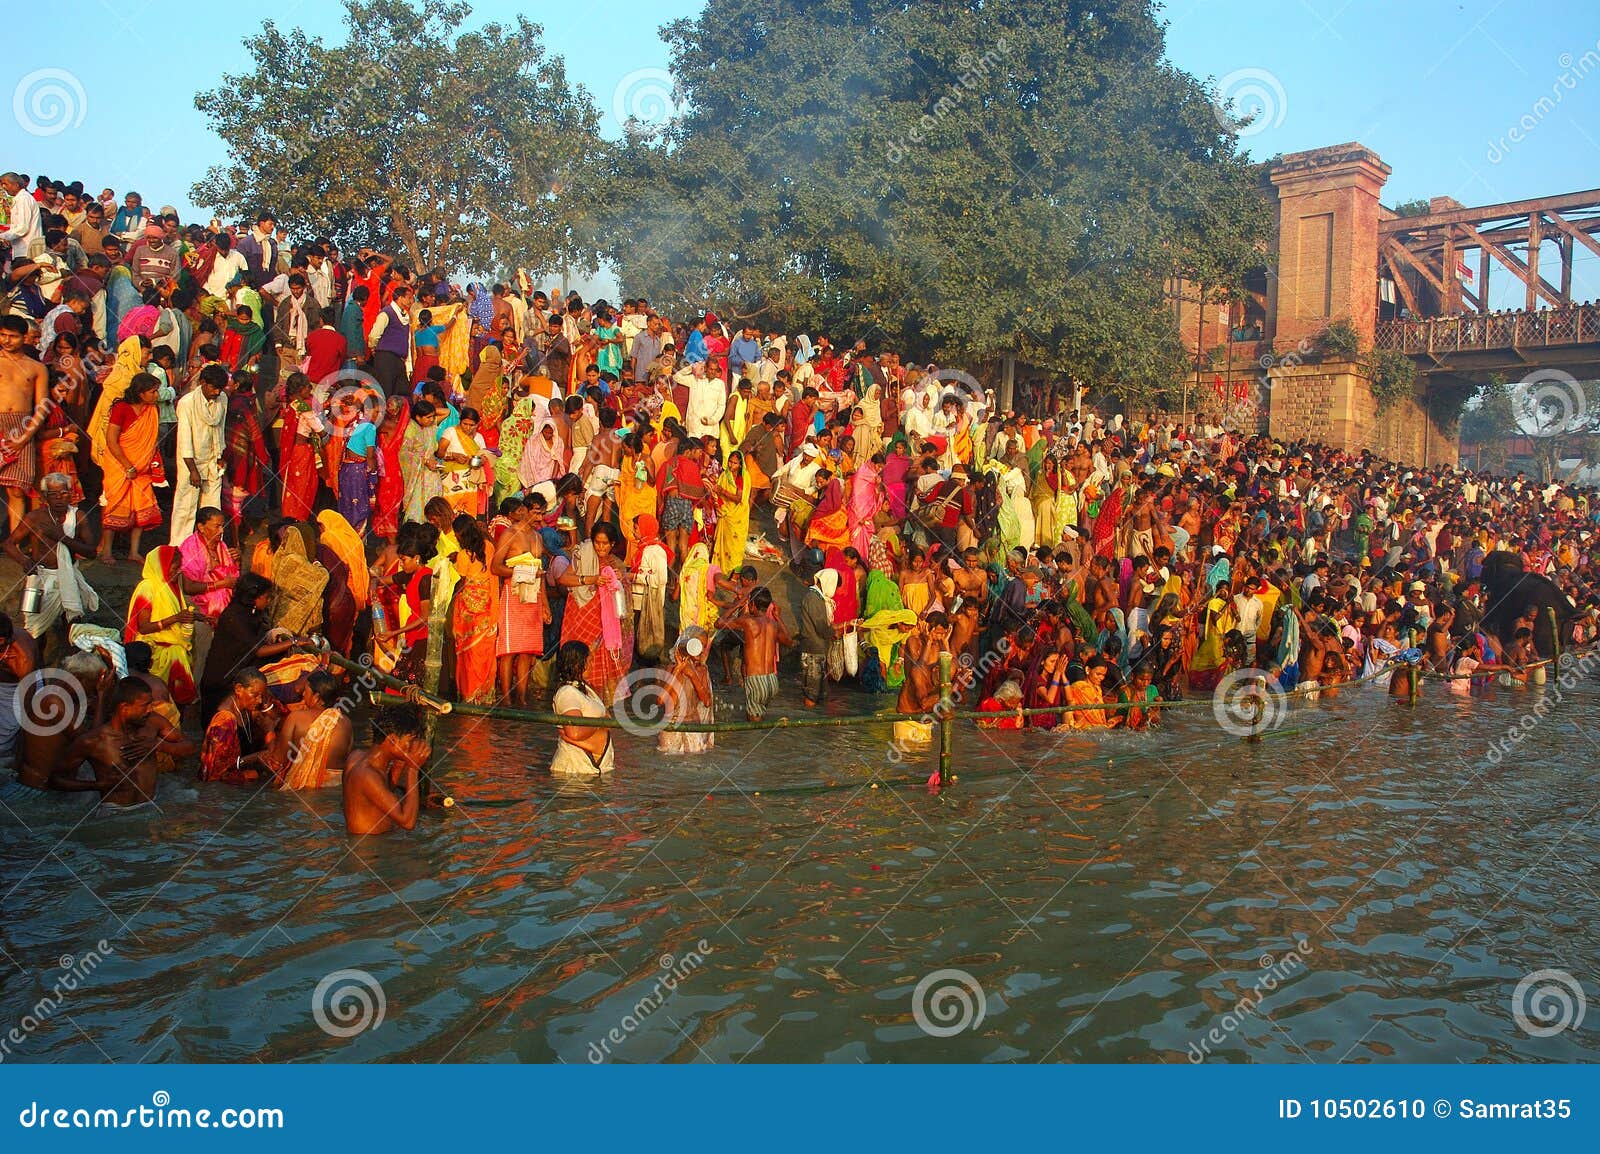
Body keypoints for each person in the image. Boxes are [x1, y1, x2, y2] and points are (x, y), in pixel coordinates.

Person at [49, 677, 196, 807]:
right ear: (124, 707)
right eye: (145, 705)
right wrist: (97, 785)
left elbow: (190, 747)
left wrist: (158, 745)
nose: (150, 709)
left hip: (151, 805)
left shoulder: (153, 723)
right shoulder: (94, 740)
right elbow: (56, 780)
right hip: (114, 813)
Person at [2, 472, 99, 640]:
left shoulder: (78, 516)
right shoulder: (34, 517)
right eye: (53, 494)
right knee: (33, 630)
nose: (59, 498)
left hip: (69, 577)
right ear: (44, 497)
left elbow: (91, 553)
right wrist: (24, 561)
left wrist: (61, 537)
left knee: (73, 626)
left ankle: (73, 655)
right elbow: (8, 544)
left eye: (64, 493)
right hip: (40, 578)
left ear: (71, 494)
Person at [94, 370, 166, 563]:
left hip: (142, 468)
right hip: (119, 465)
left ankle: (134, 552)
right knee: (115, 505)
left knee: (140, 506)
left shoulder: (153, 411)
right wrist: (128, 466)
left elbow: (152, 441)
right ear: (140, 393)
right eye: (153, 391)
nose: (156, 395)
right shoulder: (122, 408)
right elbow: (111, 440)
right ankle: (106, 551)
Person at [343, 707, 431, 836]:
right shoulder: (367, 775)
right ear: (392, 740)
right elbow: (408, 822)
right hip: (374, 845)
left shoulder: (356, 757)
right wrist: (413, 769)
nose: (414, 745)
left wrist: (399, 765)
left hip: (372, 841)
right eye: (411, 740)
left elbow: (379, 795)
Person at [169, 363, 228, 544]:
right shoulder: (187, 403)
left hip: (213, 460)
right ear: (203, 383)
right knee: (186, 507)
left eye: (220, 388)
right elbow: (184, 439)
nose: (217, 392)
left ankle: (212, 545)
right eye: (214, 388)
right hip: (191, 461)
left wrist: (220, 456)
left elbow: (220, 429)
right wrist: (193, 470)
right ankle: (180, 546)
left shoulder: (222, 399)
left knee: (212, 506)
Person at [0, 314, 48, 530]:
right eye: (2, 335)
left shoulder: (36, 368)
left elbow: (42, 406)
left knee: (17, 491)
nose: (6, 340)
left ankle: (15, 542)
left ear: (24, 337)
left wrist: (25, 437)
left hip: (23, 426)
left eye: (13, 336)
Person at [275, 670, 353, 790]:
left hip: (302, 789)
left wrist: (269, 732)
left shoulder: (295, 718)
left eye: (306, 691)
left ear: (316, 697)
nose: (303, 694)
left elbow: (278, 762)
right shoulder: (346, 722)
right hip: (336, 789)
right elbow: (348, 758)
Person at [724, 586, 793, 721]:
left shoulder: (748, 621)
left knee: (754, 727)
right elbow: (789, 641)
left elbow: (719, 623)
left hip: (755, 680)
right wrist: (778, 617)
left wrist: (737, 605)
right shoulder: (773, 624)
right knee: (760, 718)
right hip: (772, 681)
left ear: (753, 605)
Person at [199, 666, 277, 784]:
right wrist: (255, 757)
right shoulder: (225, 720)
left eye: (262, 696)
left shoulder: (247, 708)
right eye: (255, 695)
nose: (260, 700)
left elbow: (275, 718)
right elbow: (217, 769)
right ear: (239, 689)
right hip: (219, 785)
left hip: (240, 775)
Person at [551, 640, 614, 775]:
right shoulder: (567, 692)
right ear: (577, 664)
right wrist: (600, 723)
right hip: (575, 770)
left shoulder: (586, 689)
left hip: (592, 769)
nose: (591, 665)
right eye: (588, 661)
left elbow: (608, 719)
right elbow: (574, 732)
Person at [658, 628, 715, 755]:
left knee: (694, 762)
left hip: (692, 725)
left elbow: (707, 702)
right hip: (671, 727)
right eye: (699, 645)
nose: (702, 650)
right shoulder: (671, 669)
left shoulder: (702, 670)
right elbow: (660, 701)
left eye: (704, 646)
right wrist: (678, 670)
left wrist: (692, 675)